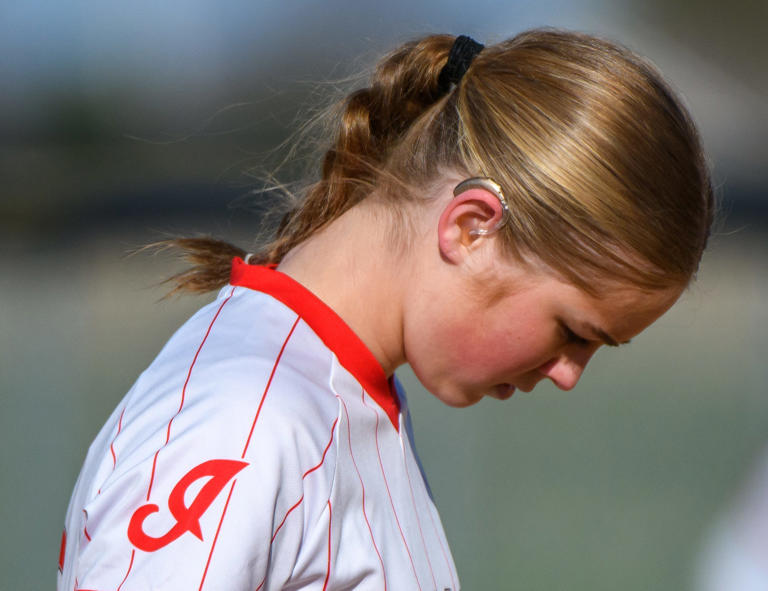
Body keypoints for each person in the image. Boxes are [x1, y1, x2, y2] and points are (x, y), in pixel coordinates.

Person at [57, 29, 714, 590]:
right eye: (573, 331)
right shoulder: (245, 420)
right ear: (471, 227)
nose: (569, 372)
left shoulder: (342, 393)